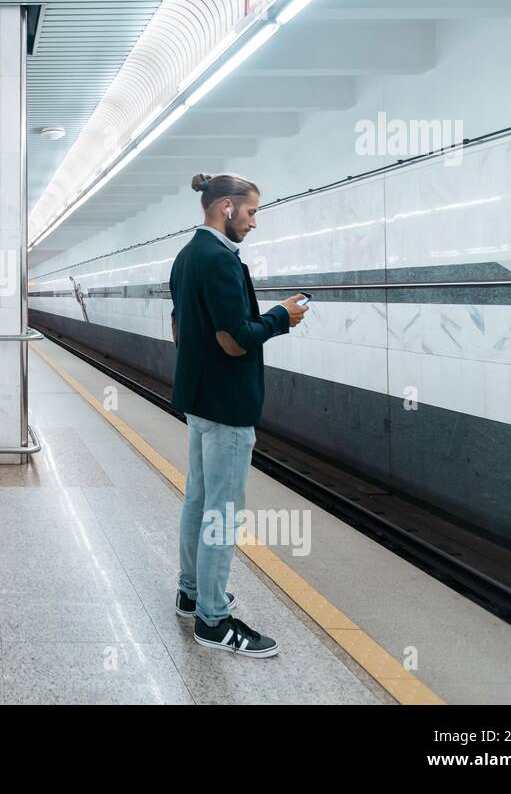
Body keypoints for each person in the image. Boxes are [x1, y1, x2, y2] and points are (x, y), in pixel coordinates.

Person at [169, 172, 308, 658]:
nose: (254, 223)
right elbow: (234, 340)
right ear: (226, 207)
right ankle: (213, 619)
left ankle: (191, 592)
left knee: (198, 499)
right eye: (250, 212)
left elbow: (179, 331)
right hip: (228, 405)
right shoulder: (220, 261)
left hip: (199, 400)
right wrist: (280, 317)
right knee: (222, 514)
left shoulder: (186, 256)